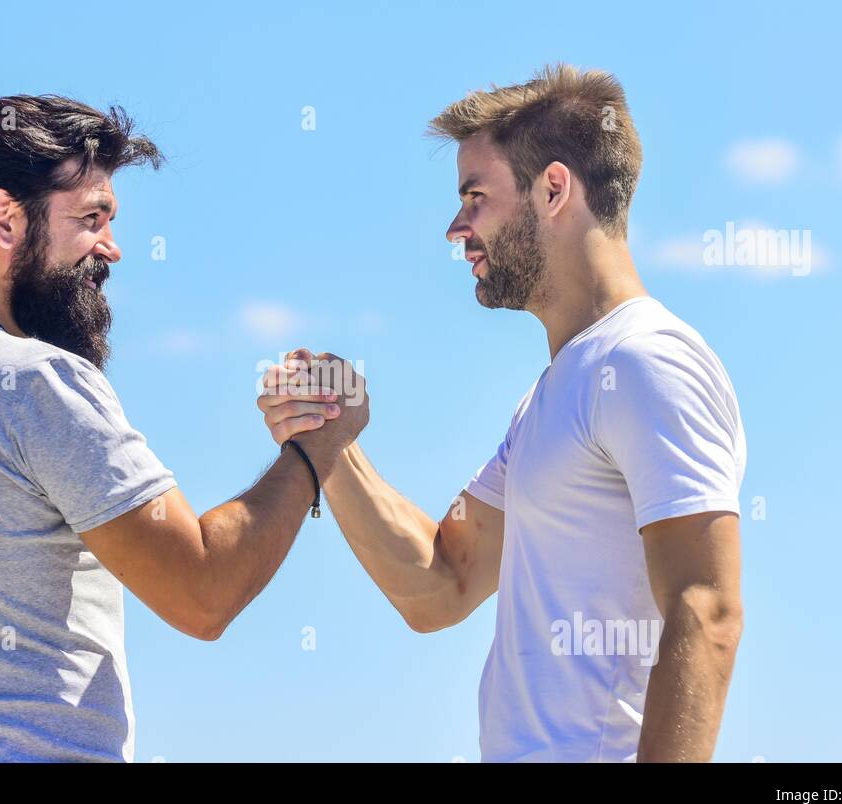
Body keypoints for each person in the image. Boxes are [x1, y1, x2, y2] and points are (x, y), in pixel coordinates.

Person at [0, 95, 366, 762]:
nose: (111, 247)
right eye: (91, 219)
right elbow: (203, 592)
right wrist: (313, 451)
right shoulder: (37, 381)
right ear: (3, 219)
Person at [258, 64, 747, 762]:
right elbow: (443, 581)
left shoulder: (646, 359)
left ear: (553, 189)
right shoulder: (554, 392)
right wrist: (330, 442)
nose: (457, 228)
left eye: (475, 197)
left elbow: (706, 606)